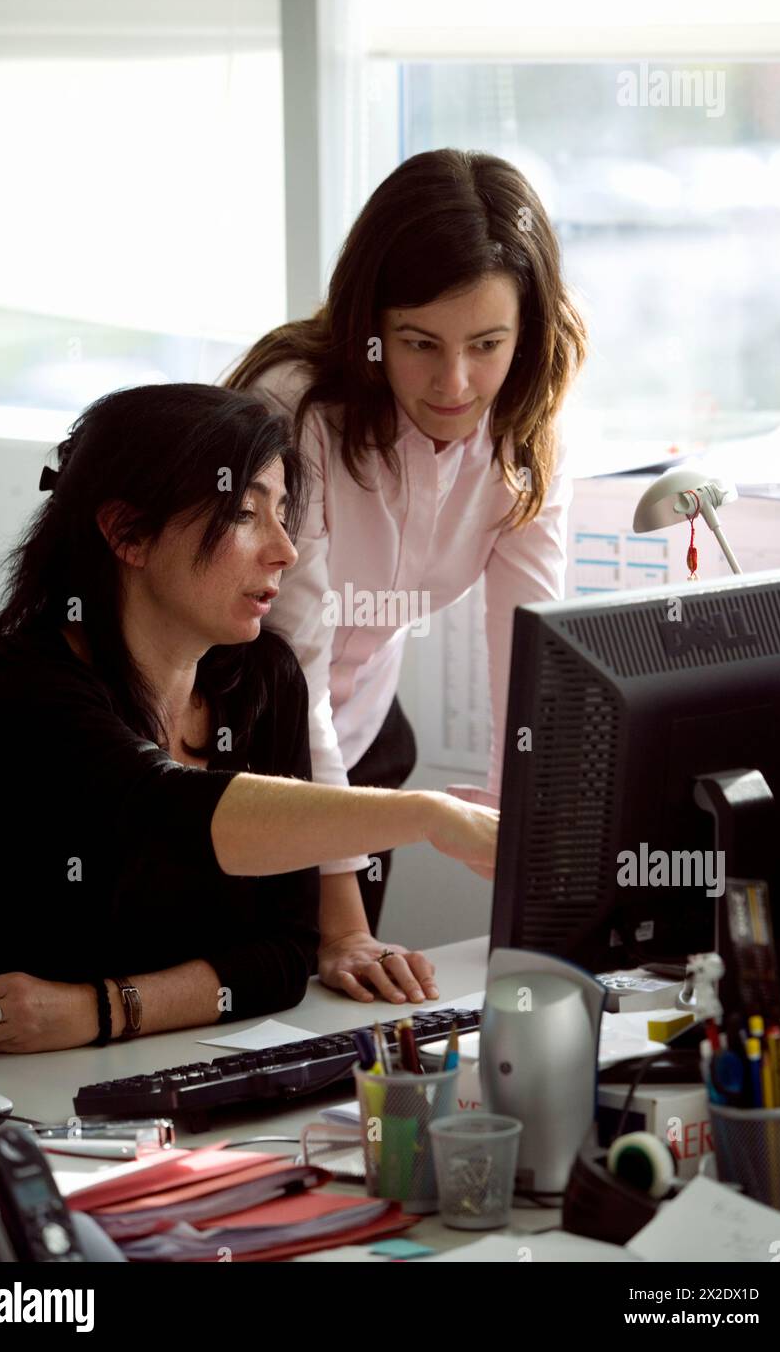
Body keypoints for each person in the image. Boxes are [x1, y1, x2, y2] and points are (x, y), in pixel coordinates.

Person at [0, 384, 498, 1057]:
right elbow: (169, 811)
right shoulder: (20, 693)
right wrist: (425, 815)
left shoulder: (263, 680)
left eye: (284, 513)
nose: (285, 551)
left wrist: (109, 1008)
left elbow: (285, 951)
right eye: (243, 514)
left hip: (149, 1069)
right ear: (128, 533)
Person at [223, 147, 587, 1006]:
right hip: (237, 746)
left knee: (342, 1022)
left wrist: (538, 869)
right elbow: (293, 662)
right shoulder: (296, 409)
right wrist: (341, 917)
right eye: (420, 344)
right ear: (371, 324)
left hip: (368, 749)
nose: (454, 383)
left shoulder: (528, 430)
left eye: (487, 345)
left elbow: (534, 656)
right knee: (256, 996)